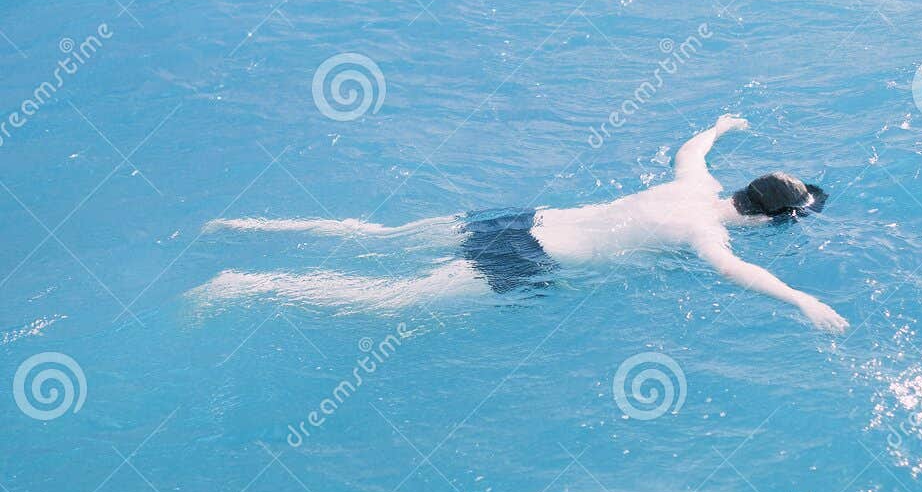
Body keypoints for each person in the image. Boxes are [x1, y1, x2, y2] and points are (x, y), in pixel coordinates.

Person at [200, 115, 848, 332]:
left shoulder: (693, 184)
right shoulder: (706, 235)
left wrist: (719, 127)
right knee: (389, 301)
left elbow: (691, 148)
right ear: (767, 220)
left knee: (376, 239)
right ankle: (247, 285)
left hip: (523, 219)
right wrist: (802, 299)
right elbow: (739, 274)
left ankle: (246, 226)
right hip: (531, 263)